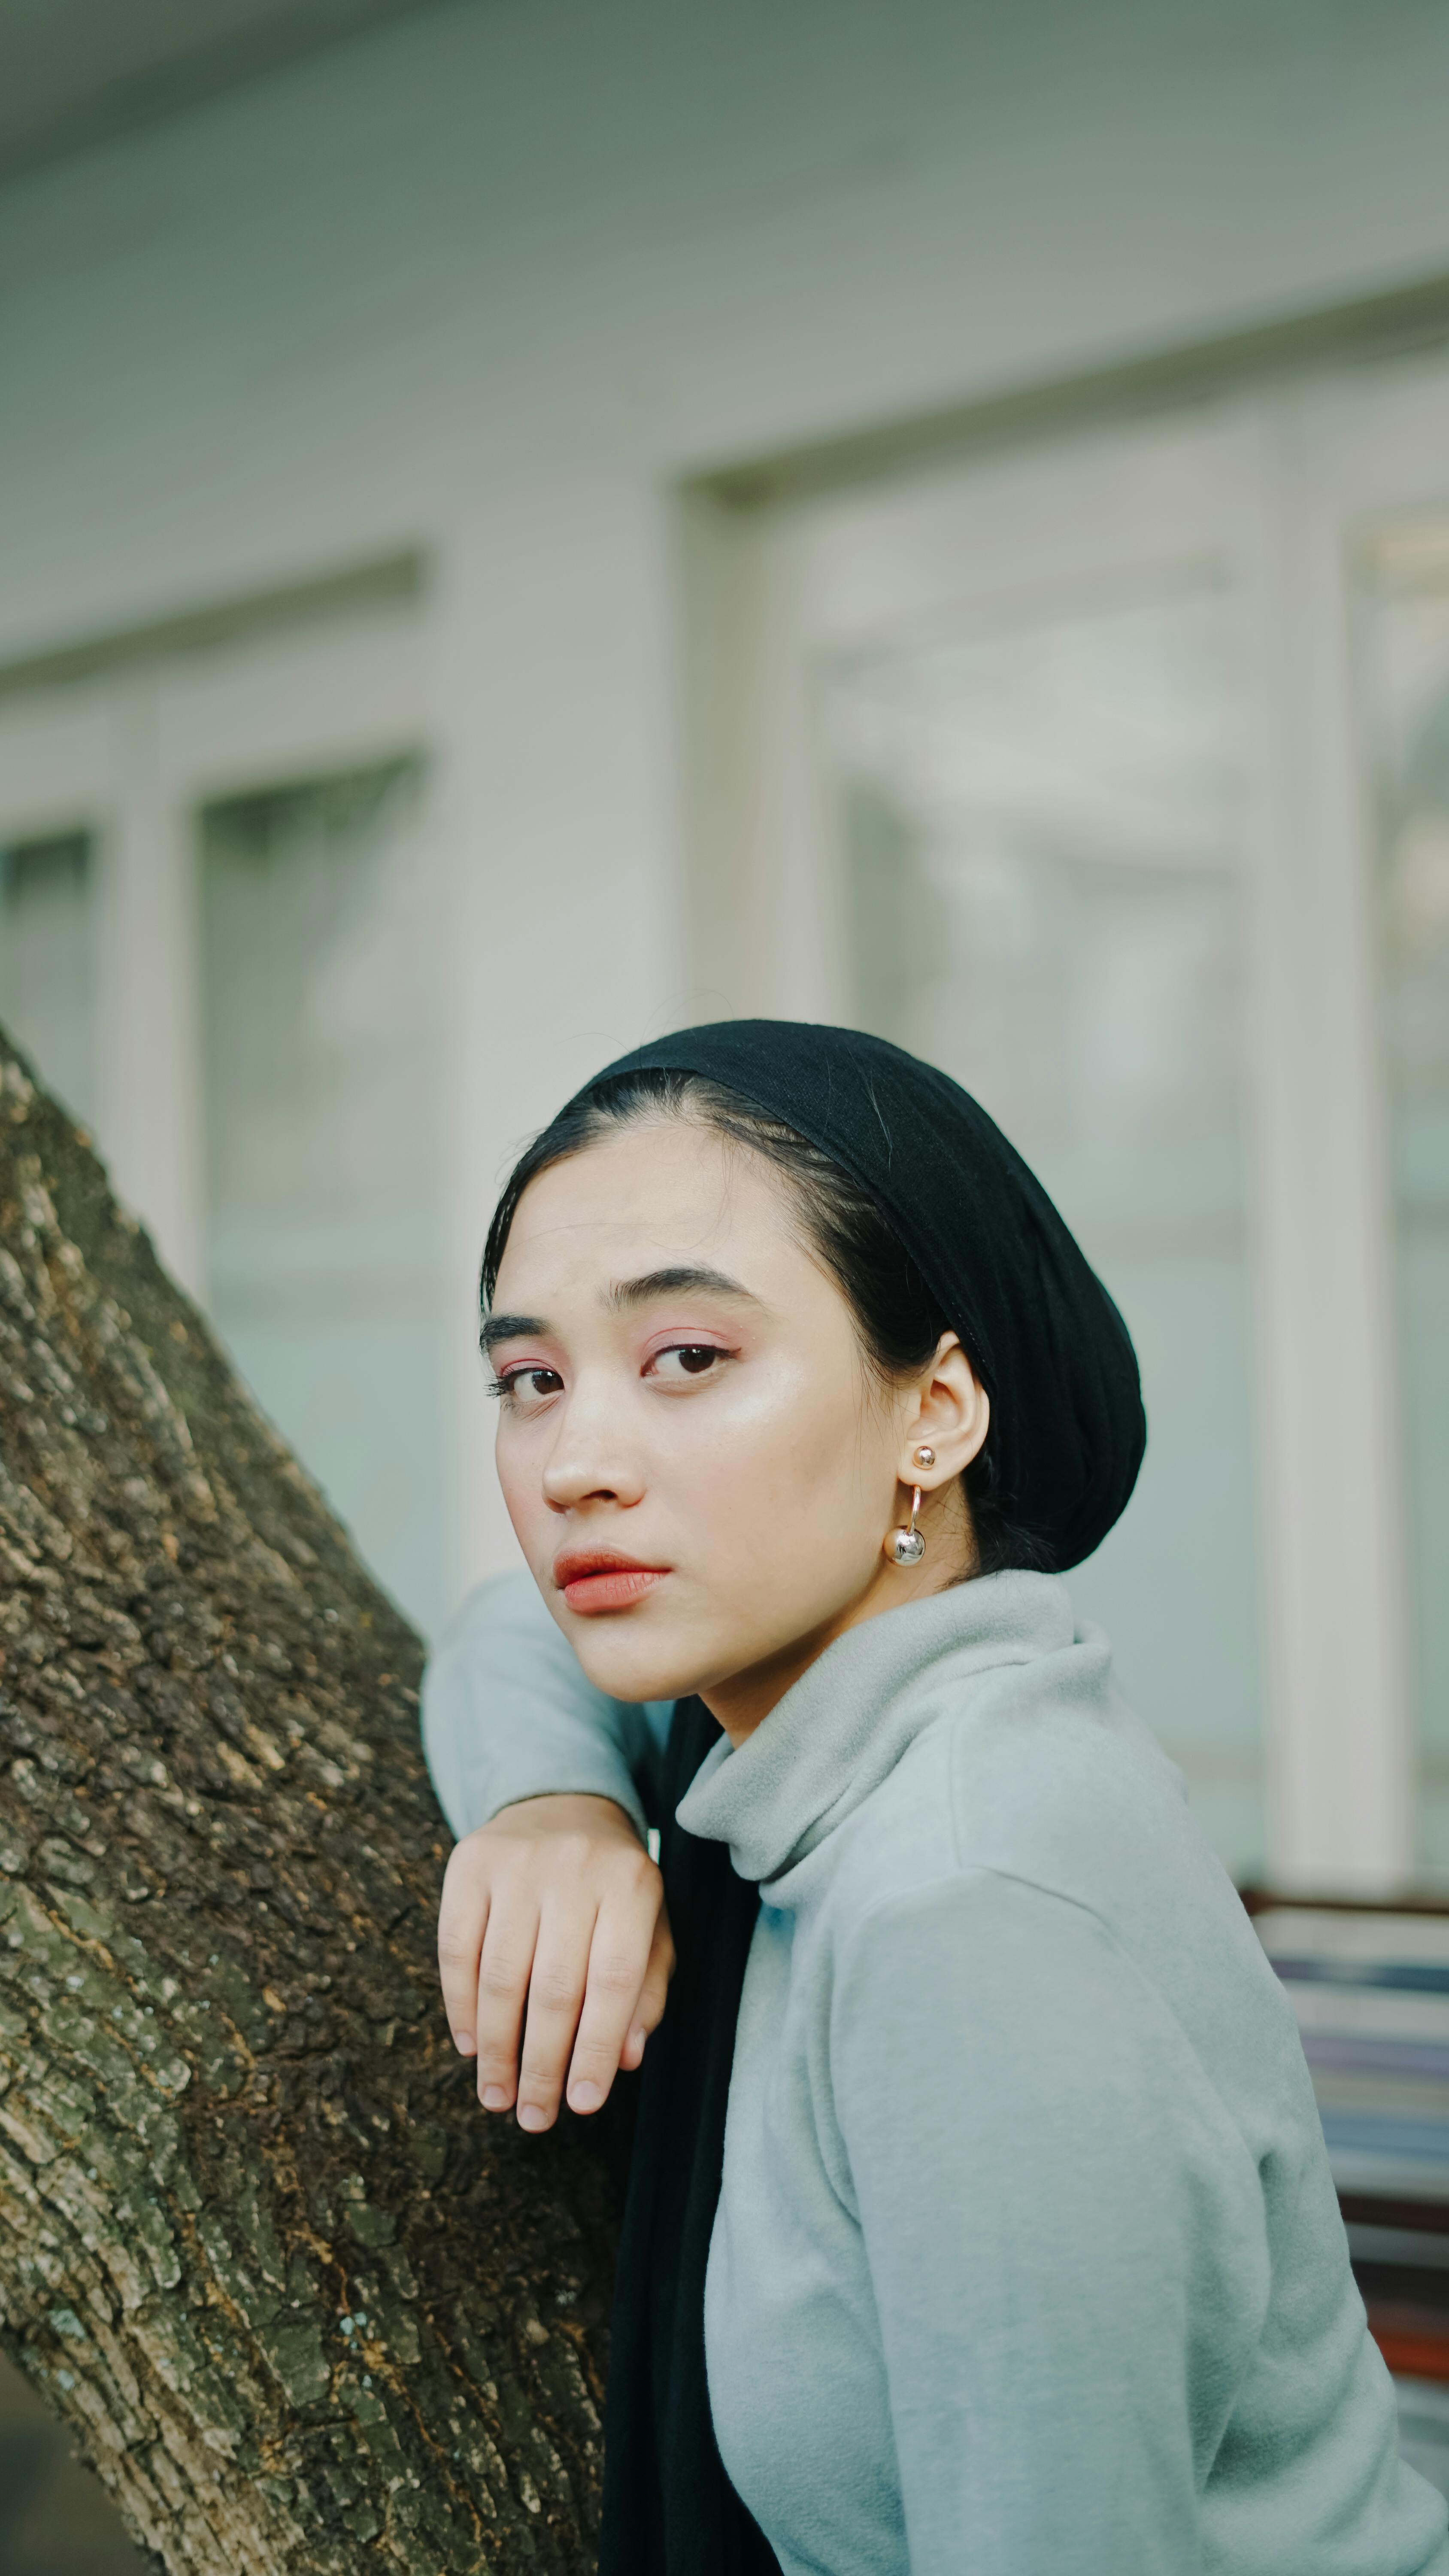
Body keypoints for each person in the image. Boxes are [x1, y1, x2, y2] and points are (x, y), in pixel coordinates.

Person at [424, 1020, 1449, 2576]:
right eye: (531, 1378)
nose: (576, 1463)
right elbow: (511, 1624)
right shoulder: (824, 1734)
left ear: (937, 1411)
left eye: (688, 1359)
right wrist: (553, 1810)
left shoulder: (965, 1905)